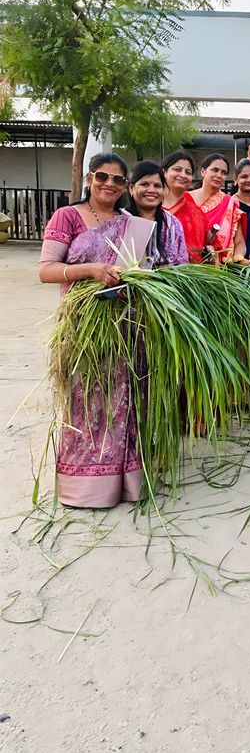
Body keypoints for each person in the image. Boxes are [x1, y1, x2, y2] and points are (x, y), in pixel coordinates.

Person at [37, 153, 180, 508]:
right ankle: (86, 489)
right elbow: (47, 270)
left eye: (117, 180)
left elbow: (139, 268)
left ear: (123, 187)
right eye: (103, 177)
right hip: (85, 326)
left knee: (127, 402)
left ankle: (129, 484)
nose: (109, 185)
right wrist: (91, 270)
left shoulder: (129, 222)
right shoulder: (67, 216)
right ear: (89, 179)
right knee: (88, 400)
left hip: (128, 325)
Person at [126, 162, 188, 266]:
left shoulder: (172, 223)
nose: (151, 190)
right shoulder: (121, 221)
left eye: (157, 186)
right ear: (131, 188)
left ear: (163, 190)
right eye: (144, 184)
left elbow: (182, 263)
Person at [161, 151, 208, 263]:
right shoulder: (150, 205)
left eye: (188, 172)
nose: (183, 175)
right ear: (164, 172)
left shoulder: (197, 214)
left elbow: (208, 243)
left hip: (187, 274)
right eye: (177, 169)